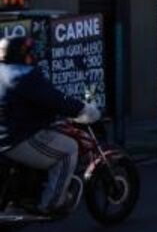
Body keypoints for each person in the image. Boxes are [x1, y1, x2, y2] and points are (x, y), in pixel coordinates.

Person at [0, 35, 100, 214]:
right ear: (19, 54)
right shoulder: (24, 75)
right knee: (68, 150)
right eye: (29, 52)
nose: (32, 56)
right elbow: (55, 100)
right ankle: (52, 202)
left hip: (9, 133)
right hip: (15, 138)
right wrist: (83, 110)